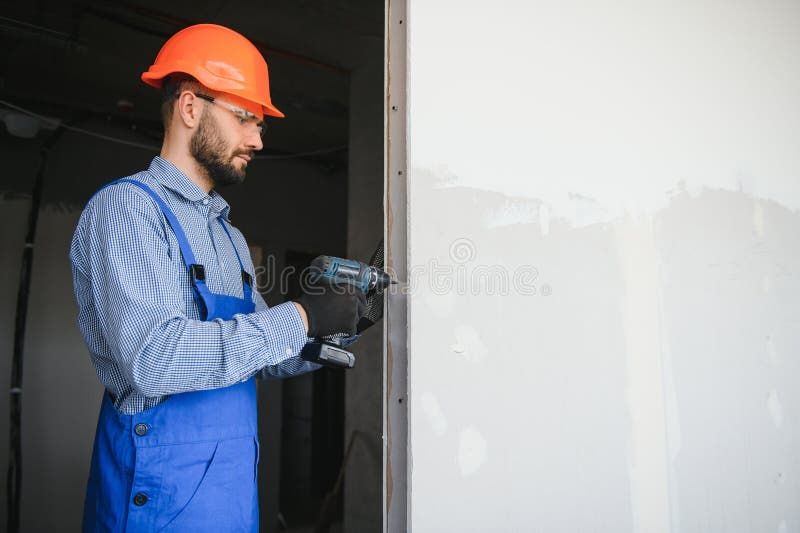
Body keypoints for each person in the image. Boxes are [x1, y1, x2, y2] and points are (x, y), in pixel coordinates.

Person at [70, 24, 365, 532]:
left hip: (229, 501)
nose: (257, 139)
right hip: (158, 503)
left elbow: (256, 357)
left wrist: (334, 328)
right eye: (245, 118)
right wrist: (300, 315)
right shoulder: (127, 211)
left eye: (260, 126)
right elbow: (152, 359)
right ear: (190, 108)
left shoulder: (228, 236)